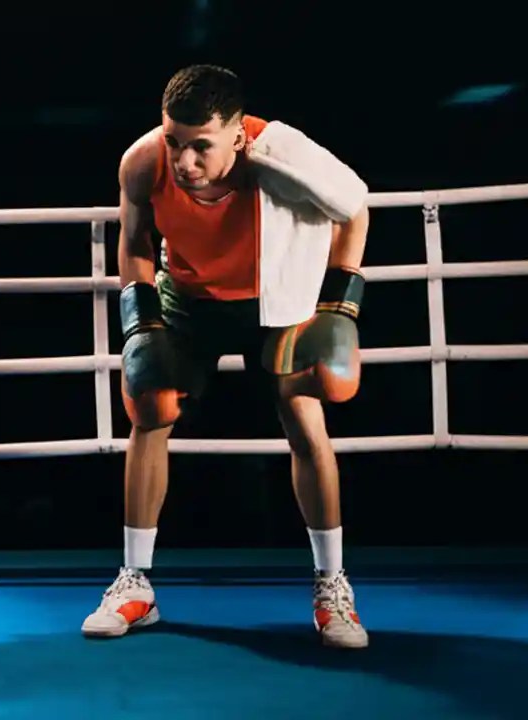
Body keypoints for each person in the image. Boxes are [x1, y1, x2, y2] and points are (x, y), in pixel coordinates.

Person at [80, 65, 372, 649]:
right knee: (150, 401)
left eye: (200, 147)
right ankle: (135, 583)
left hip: (277, 294)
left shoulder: (281, 155)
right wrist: (142, 321)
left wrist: (340, 305)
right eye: (175, 142)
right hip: (189, 298)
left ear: (238, 136)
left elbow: (355, 210)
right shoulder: (143, 162)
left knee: (303, 410)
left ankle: (332, 587)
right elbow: (135, 241)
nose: (185, 162)